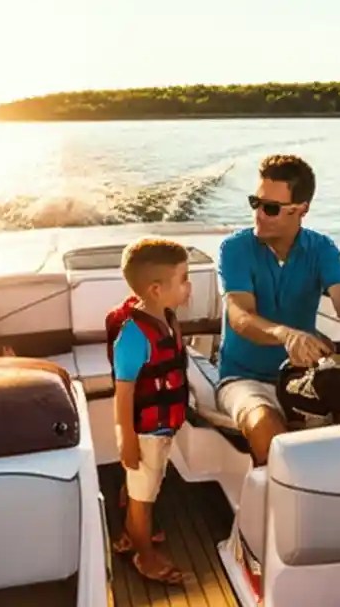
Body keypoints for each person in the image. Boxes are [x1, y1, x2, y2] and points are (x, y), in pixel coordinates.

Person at [215, 154, 340, 466]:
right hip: (243, 379)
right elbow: (240, 316)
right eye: (255, 202)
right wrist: (286, 335)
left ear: (301, 209)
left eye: (270, 208)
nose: (258, 214)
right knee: (269, 433)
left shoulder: (322, 248)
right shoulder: (233, 249)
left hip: (308, 377)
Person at [107, 237, 193, 585]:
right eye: (184, 279)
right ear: (156, 290)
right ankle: (145, 556)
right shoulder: (133, 336)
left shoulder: (167, 318)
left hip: (162, 429)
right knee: (143, 499)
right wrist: (127, 440)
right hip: (144, 434)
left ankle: (131, 534)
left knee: (146, 489)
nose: (189, 286)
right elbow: (123, 394)